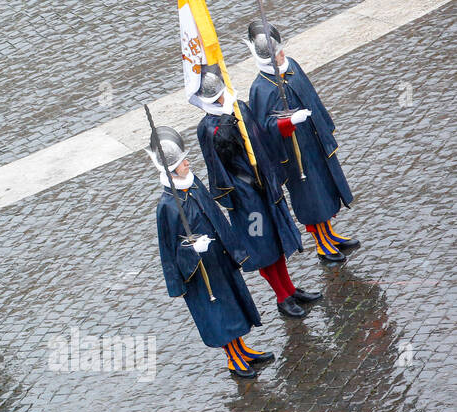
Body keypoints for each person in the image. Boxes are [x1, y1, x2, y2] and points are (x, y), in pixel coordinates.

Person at [194, 71, 321, 319]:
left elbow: (261, 139)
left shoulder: (239, 108)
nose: (222, 101)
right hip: (246, 200)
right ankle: (282, 297)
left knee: (276, 240)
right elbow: (220, 169)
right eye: (216, 99)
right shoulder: (209, 128)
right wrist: (247, 181)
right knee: (263, 246)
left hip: (265, 187)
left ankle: (290, 288)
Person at [151, 124, 271, 380]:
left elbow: (216, 216)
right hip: (199, 270)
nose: (187, 164)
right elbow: (169, 249)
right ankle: (233, 358)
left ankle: (242, 349)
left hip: (219, 260)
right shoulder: (168, 207)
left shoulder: (194, 186)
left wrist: (232, 249)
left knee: (233, 306)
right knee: (220, 315)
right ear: (172, 170)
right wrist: (192, 250)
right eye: (182, 162)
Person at [245, 22, 358, 266]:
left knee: (325, 189)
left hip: (313, 141)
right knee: (310, 198)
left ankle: (329, 233)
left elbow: (312, 97)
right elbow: (263, 129)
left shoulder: (292, 67)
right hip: (293, 153)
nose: (281, 54)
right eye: (276, 54)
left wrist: (324, 127)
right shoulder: (260, 88)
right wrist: (286, 123)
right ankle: (321, 242)